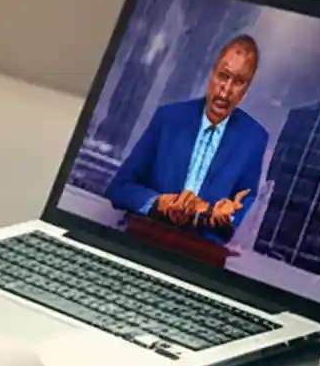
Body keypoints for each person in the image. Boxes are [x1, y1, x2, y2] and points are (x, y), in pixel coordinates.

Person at [105, 35, 268, 243]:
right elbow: (119, 187)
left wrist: (224, 217)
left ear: (247, 87)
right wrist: (158, 203)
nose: (226, 90)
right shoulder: (168, 118)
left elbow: (240, 205)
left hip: (199, 255)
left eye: (238, 82)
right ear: (212, 74)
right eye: (223, 76)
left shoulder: (254, 139)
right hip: (145, 238)